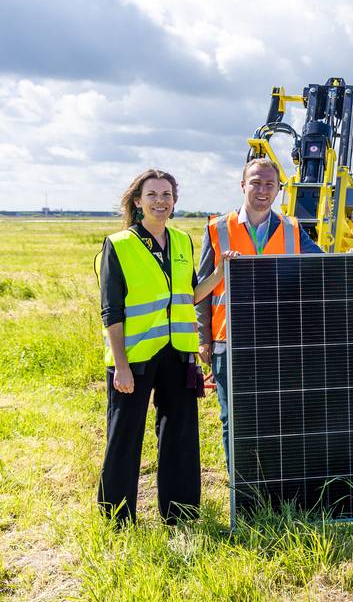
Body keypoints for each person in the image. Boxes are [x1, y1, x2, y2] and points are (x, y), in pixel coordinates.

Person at [97, 168, 223, 525]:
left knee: (181, 434)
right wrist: (120, 365)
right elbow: (112, 311)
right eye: (152, 194)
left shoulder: (182, 241)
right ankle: (117, 518)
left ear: (174, 201)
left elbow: (189, 295)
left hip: (177, 353)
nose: (160, 201)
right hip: (134, 357)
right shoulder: (118, 245)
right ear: (138, 202)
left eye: (166, 195)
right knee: (125, 435)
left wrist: (220, 274)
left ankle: (180, 514)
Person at [195, 158, 324, 470]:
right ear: (243, 185)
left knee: (280, 417)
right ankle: (242, 490)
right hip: (230, 340)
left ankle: (278, 485)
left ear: (279, 190)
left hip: (280, 341)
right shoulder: (217, 229)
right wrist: (204, 340)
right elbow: (202, 289)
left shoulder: (293, 230)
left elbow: (325, 266)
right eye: (255, 182)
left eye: (270, 184)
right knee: (234, 419)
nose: (262, 190)